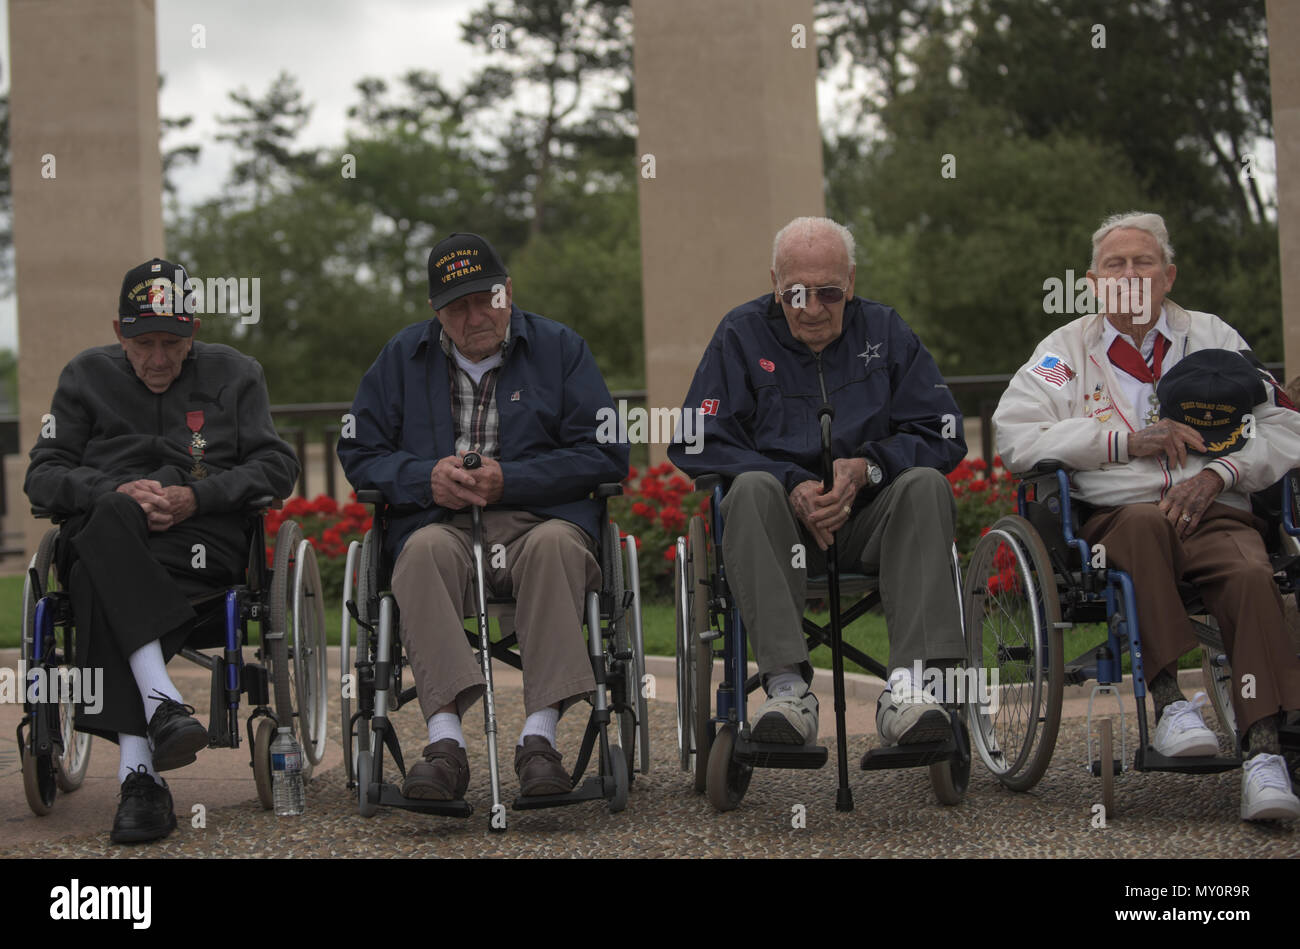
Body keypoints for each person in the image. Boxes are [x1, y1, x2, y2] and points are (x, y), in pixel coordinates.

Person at [994, 211, 1300, 821]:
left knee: (1248, 572)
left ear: (1168, 277)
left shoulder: (1215, 338)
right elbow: (1016, 435)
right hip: (1118, 514)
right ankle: (1170, 704)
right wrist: (1121, 443)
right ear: (1092, 281)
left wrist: (1221, 474)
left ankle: (1265, 753)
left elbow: (1284, 425)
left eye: (1143, 262)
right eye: (1115, 264)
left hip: (1213, 506)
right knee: (1139, 528)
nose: (1129, 274)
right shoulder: (1063, 354)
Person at [338, 232, 627, 801]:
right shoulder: (402, 357)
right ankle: (445, 747)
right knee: (417, 554)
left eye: (486, 299)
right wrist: (426, 477)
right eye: (457, 306)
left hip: (540, 522)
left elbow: (606, 452)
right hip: (440, 526)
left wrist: (509, 479)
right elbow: (359, 452)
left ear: (508, 292)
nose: (475, 316)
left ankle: (538, 742)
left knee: (555, 549)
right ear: (435, 313)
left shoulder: (561, 349)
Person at [24, 257, 300, 843]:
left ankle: (142, 774)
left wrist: (195, 497)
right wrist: (110, 489)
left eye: (170, 342)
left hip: (199, 547)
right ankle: (159, 708)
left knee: (101, 566)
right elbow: (42, 475)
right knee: (111, 518)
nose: (156, 358)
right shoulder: (83, 377)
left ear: (192, 331)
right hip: (105, 537)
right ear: (119, 332)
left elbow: (278, 466)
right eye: (142, 341)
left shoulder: (236, 373)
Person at [668, 216, 968, 750]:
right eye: (795, 292)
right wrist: (789, 481)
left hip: (871, 521)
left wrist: (867, 467)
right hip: (777, 528)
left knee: (925, 483)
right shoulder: (740, 334)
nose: (810, 308)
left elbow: (943, 433)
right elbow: (694, 440)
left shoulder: (886, 331)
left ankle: (911, 687)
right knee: (752, 488)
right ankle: (786, 689)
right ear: (774, 282)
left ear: (851, 282)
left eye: (828, 292)